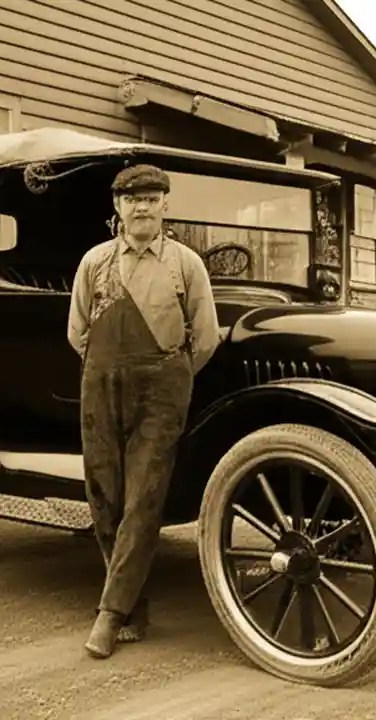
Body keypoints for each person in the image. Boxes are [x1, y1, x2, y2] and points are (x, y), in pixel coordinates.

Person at [66, 163, 220, 659]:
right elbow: (77, 333)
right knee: (104, 494)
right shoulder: (93, 263)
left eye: (151, 199)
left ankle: (109, 616)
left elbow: (207, 338)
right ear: (117, 207)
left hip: (162, 392)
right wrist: (109, 372)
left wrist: (170, 378)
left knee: (143, 498)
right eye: (132, 200)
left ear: (165, 206)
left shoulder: (184, 264)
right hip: (102, 385)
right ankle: (133, 603)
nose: (141, 207)